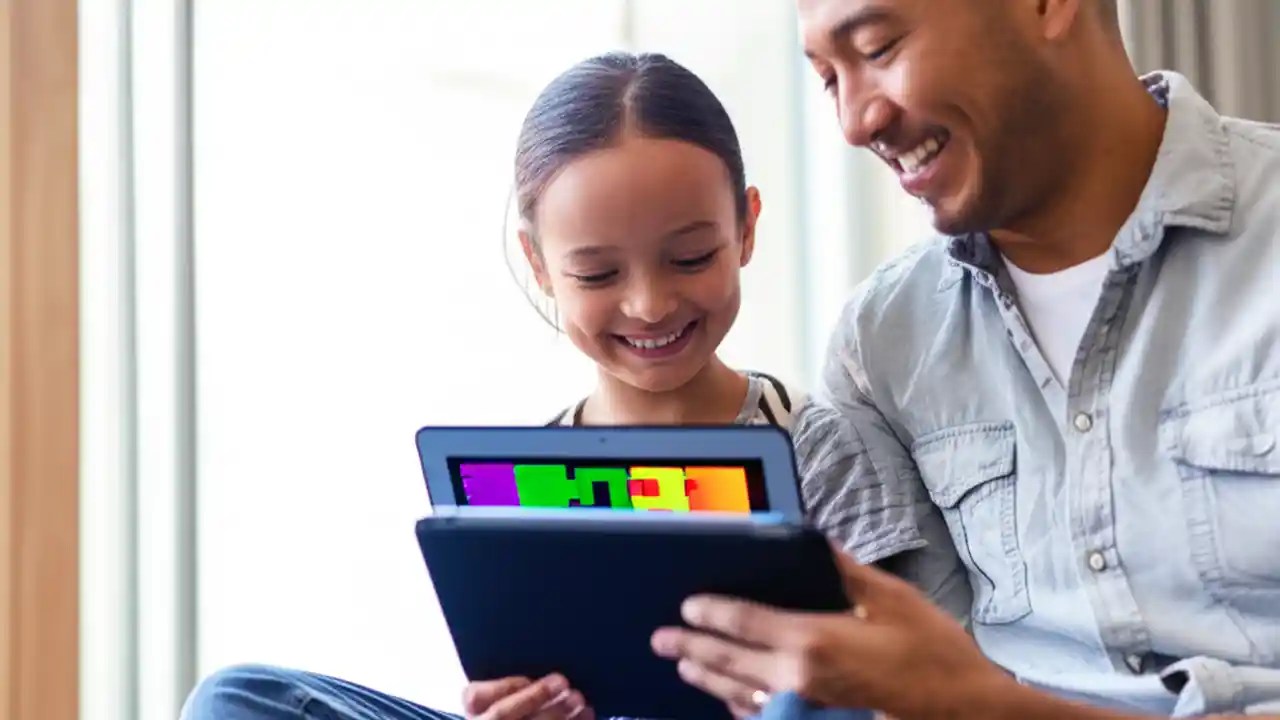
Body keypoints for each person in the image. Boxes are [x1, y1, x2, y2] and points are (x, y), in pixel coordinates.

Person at [181, 51, 963, 720]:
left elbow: (901, 685)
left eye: (690, 257)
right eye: (597, 273)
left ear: (747, 228)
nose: (651, 304)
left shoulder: (817, 447)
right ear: (538, 264)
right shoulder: (527, 483)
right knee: (239, 699)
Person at [652, 0, 1280, 718]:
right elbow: (909, 681)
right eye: (829, 78)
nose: (855, 122)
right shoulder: (882, 345)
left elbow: (956, 698)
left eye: (879, 48)